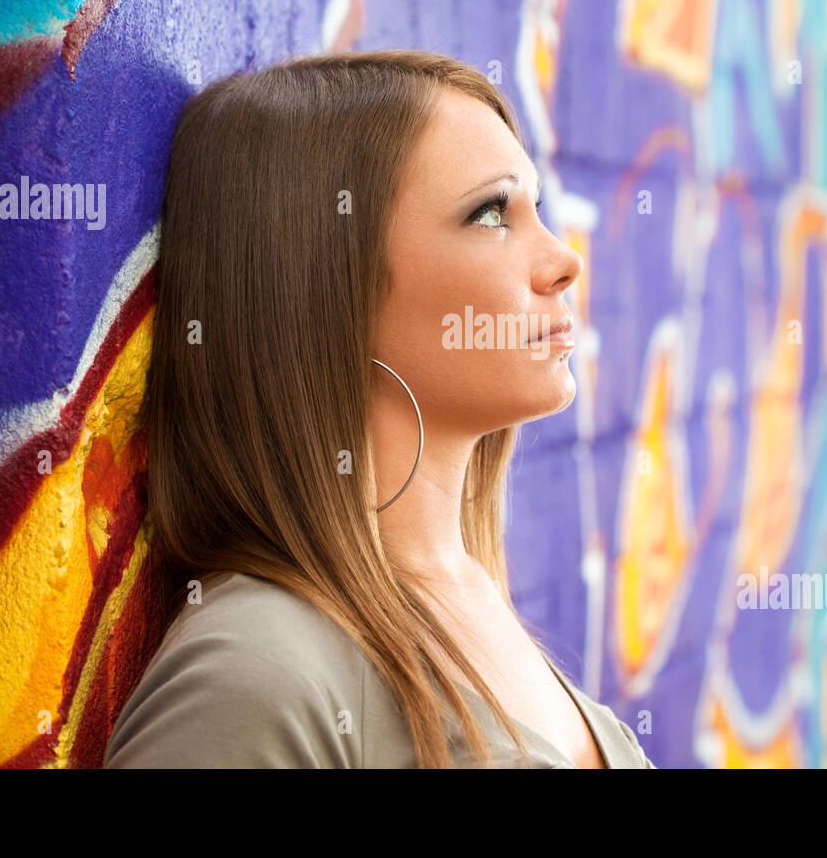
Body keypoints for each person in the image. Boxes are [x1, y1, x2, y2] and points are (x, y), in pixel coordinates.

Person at [104, 49, 655, 769]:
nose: (563, 260)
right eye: (491, 214)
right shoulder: (255, 669)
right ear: (328, 284)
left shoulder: (473, 598)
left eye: (535, 211)